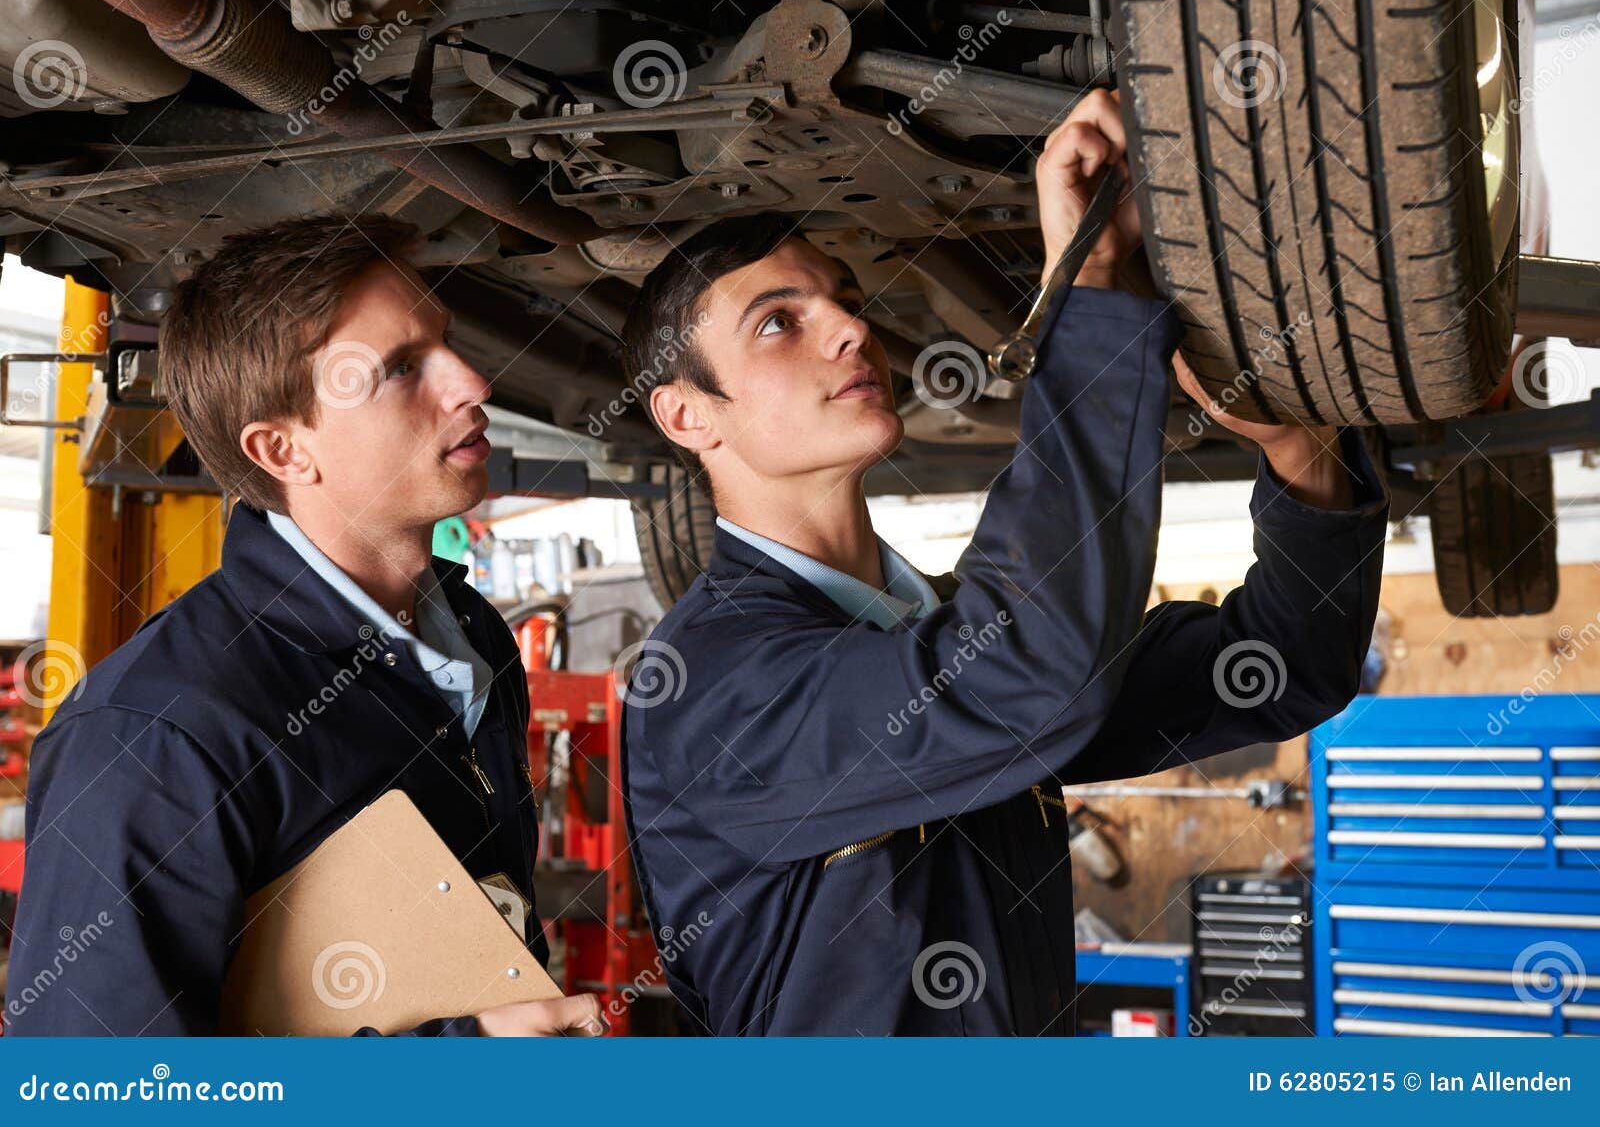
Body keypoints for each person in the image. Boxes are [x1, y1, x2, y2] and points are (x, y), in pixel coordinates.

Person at [618, 89, 1389, 1035]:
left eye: (845, 301)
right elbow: (1028, 665)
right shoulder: (710, 690)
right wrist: (1093, 289)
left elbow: (1280, 668)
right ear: (688, 414)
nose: (851, 329)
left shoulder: (935, 648)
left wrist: (1302, 458)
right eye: (780, 321)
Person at [6, 216, 601, 1037]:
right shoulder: (154, 738)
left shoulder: (475, 637)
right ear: (283, 450)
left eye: (447, 342)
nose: (473, 383)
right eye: (399, 369)